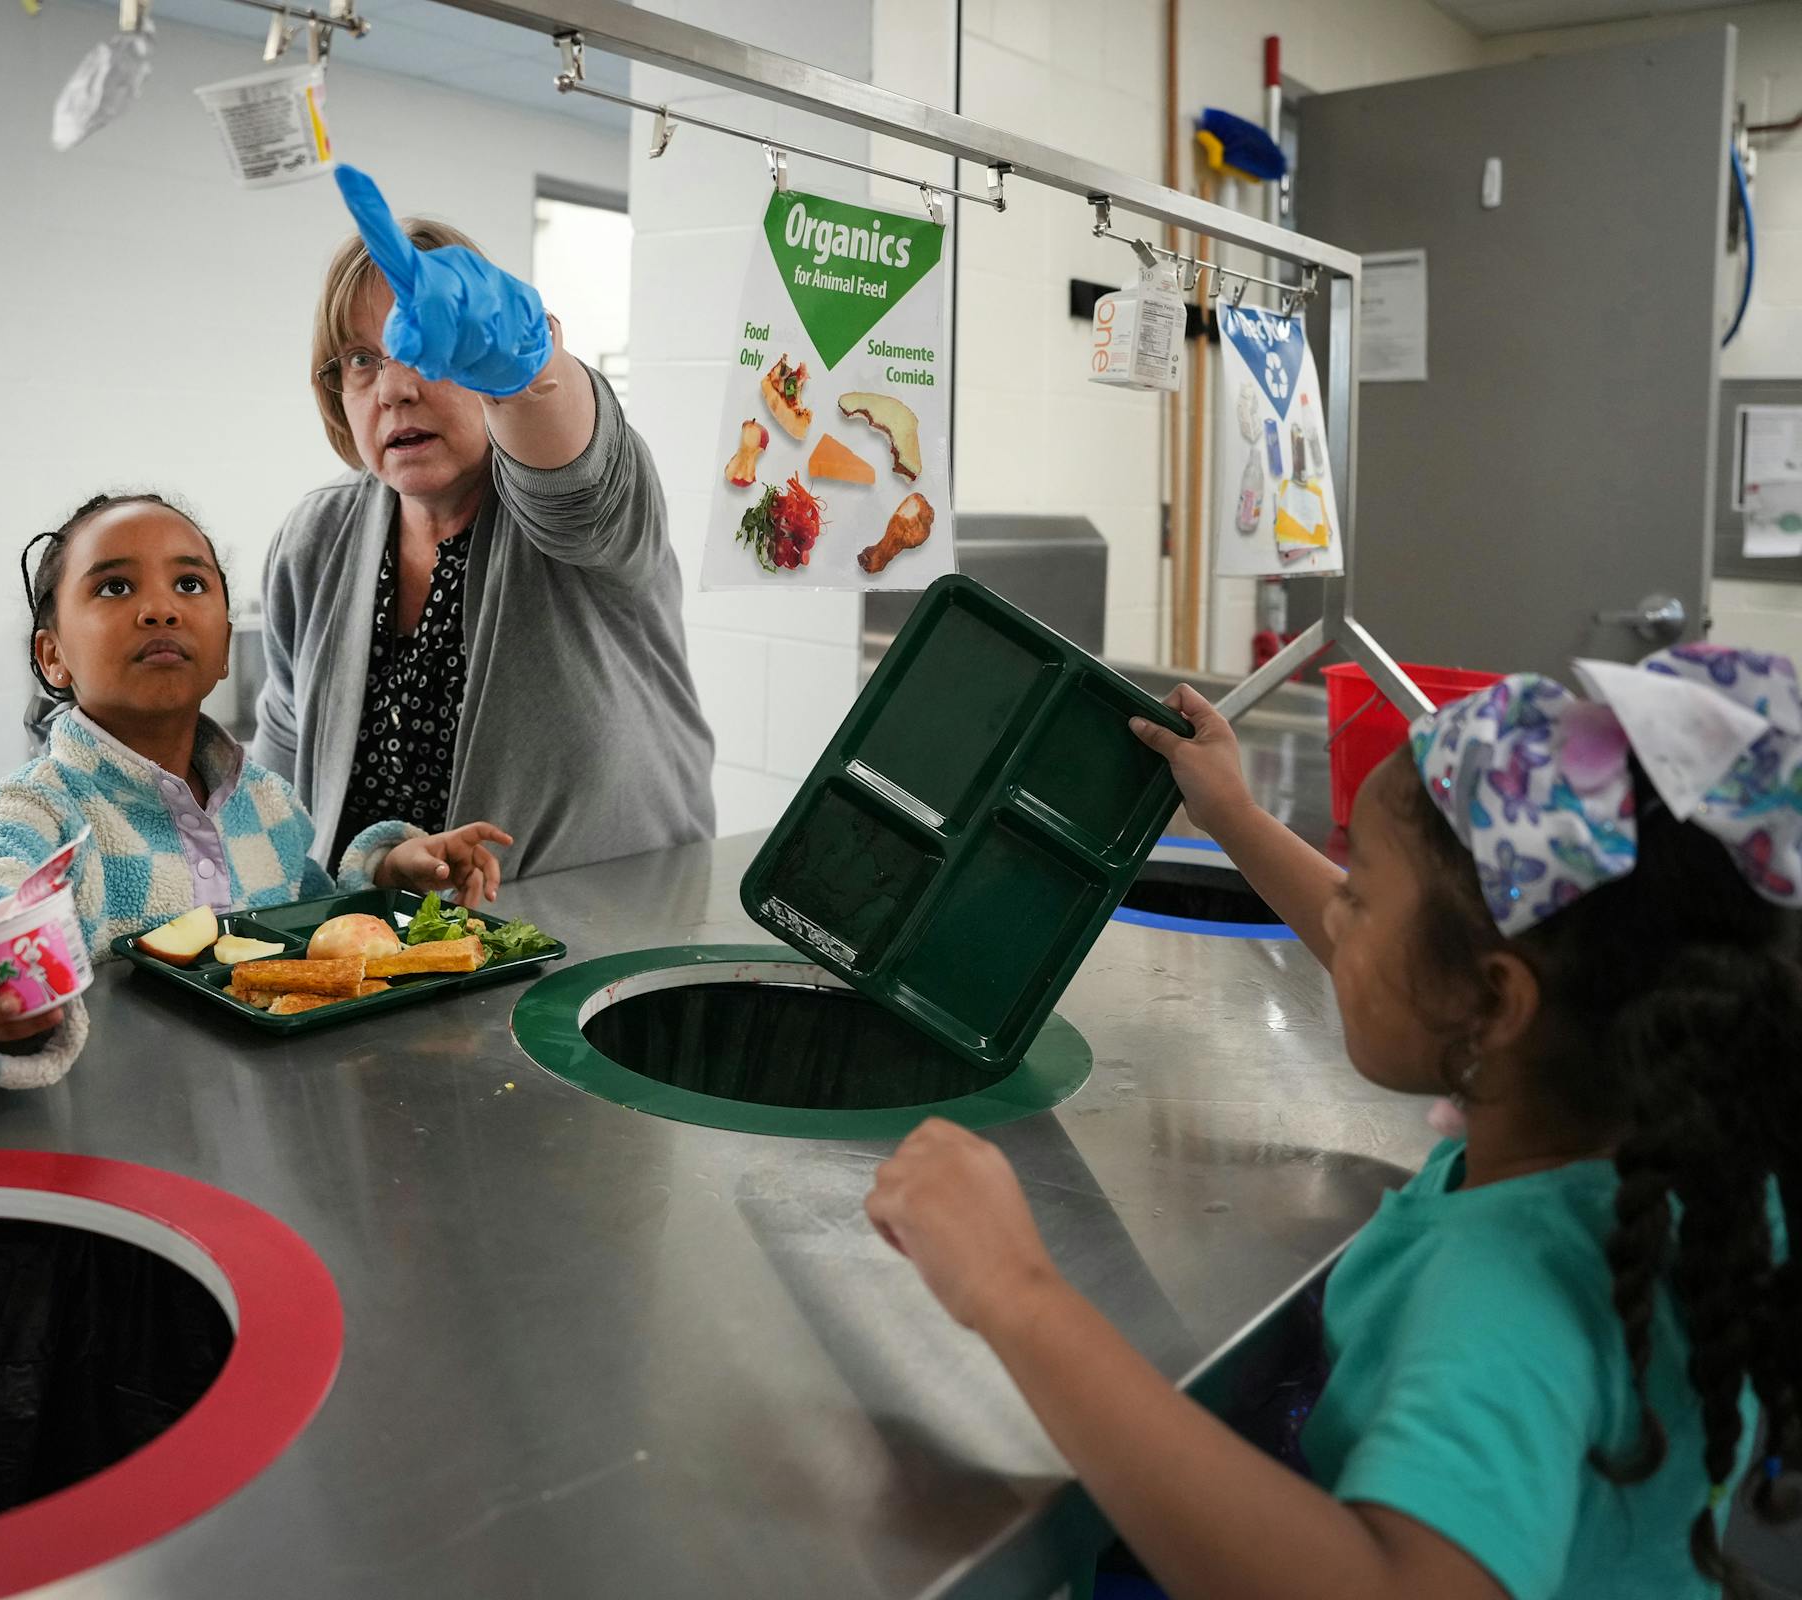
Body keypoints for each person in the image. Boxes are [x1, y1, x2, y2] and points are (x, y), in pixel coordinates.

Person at [867, 645, 1800, 1600]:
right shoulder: (1686, 1148)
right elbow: (1414, 978)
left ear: (1495, 1001)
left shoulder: (1508, 1296)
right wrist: (1230, 813)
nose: (1339, 914)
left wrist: (1012, 1290)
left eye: (1360, 898)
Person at [0, 493, 513, 1089]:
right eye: (115, 586)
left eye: (189, 585)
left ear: (224, 645)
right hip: (114, 1143)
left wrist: (386, 876)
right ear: (52, 654)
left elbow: (314, 925)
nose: (160, 610)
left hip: (271, 1123)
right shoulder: (38, 810)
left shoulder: (269, 804)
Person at [256, 165, 713, 883]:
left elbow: (575, 480)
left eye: (426, 350)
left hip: (605, 953)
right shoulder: (314, 542)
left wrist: (527, 368)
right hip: (384, 965)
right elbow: (280, 784)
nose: (397, 389)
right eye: (362, 361)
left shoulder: (576, 521)